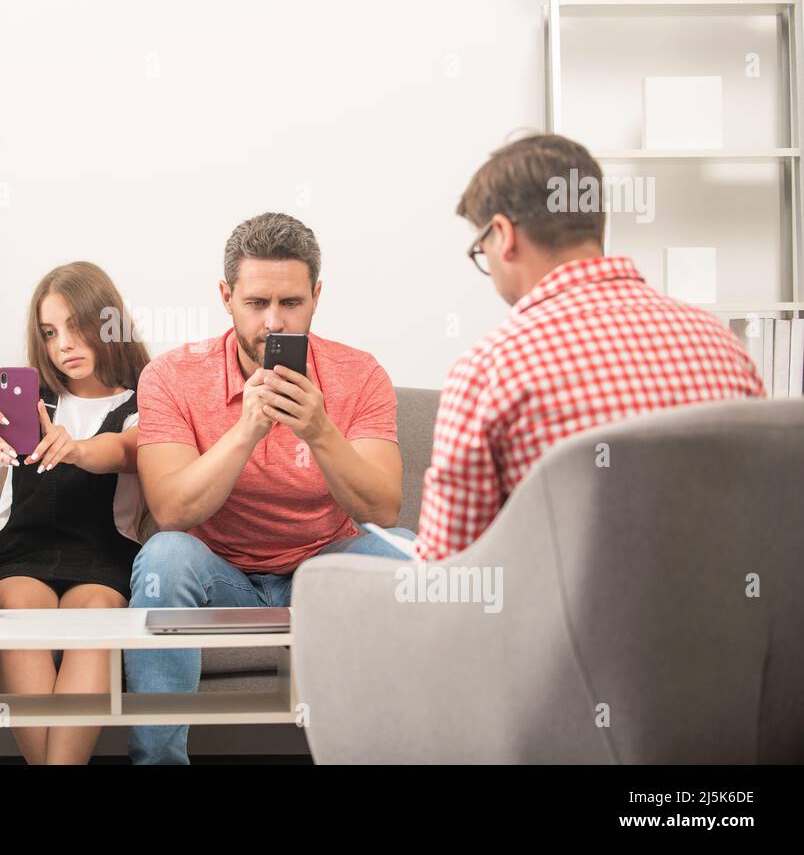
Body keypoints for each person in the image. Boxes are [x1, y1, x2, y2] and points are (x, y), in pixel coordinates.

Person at [127, 212, 412, 764]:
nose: (274, 323)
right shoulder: (170, 376)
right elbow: (170, 512)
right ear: (226, 296)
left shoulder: (361, 374)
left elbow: (383, 508)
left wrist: (319, 430)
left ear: (317, 296)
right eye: (257, 304)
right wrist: (249, 427)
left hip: (321, 573)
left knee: (409, 555)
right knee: (164, 556)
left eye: (291, 303)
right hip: (221, 575)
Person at [408, 133, 765, 562]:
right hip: (728, 623)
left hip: (568, 629)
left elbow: (447, 575)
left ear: (503, 235)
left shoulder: (490, 369)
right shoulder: (724, 346)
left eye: (481, 248)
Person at [0, 261, 151, 764]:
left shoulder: (144, 402)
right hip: (23, 553)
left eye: (76, 326)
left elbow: (123, 451)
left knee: (96, 617)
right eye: (51, 333)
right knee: (22, 613)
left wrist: (73, 449)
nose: (64, 345)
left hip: (102, 554)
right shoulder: (31, 401)